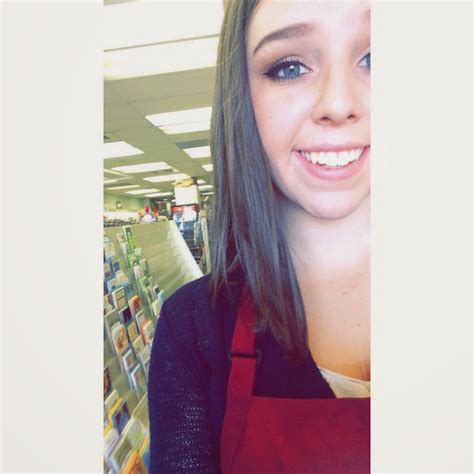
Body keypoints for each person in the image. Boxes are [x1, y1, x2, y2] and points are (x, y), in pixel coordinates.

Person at [148, 0, 370, 471]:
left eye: (378, 59)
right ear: (243, 98)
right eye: (289, 67)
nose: (338, 104)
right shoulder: (194, 329)